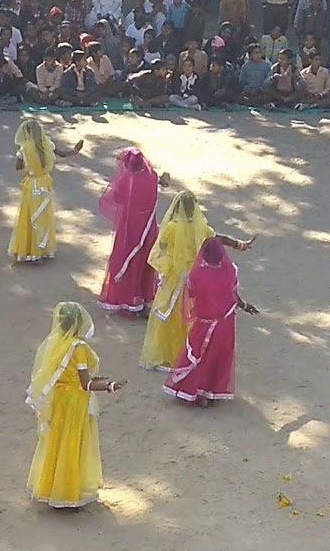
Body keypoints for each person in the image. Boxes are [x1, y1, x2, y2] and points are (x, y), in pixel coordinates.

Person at [26, 302, 125, 509]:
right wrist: (110, 386)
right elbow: (85, 383)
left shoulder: (57, 345)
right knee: (72, 442)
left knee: (57, 441)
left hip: (60, 401)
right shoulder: (79, 348)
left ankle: (51, 488)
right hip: (74, 403)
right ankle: (67, 494)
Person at [140, 191, 252, 371]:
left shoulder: (170, 228)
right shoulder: (203, 229)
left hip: (174, 277)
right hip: (196, 278)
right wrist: (239, 244)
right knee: (191, 315)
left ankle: (168, 355)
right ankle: (189, 354)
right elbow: (218, 240)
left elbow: (161, 248)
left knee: (170, 316)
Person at [164, 237, 259, 406]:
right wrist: (245, 306)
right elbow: (233, 295)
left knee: (198, 356)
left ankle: (192, 391)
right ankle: (209, 393)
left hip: (203, 323)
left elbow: (191, 296)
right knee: (217, 357)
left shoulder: (196, 275)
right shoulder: (231, 272)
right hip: (224, 325)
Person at [97, 149, 171, 313]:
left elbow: (116, 197)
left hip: (130, 228)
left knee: (127, 260)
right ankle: (144, 298)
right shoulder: (152, 177)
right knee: (144, 261)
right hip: (148, 227)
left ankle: (128, 300)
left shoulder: (127, 182)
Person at [9, 120, 83, 263]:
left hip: (31, 185)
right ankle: (42, 249)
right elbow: (62, 154)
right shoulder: (47, 144)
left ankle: (32, 251)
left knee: (30, 216)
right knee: (44, 216)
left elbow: (18, 167)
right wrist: (75, 150)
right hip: (45, 183)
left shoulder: (24, 149)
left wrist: (29, 165)